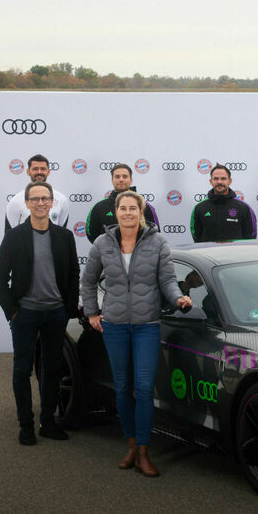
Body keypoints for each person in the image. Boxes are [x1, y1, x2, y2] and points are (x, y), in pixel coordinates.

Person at [81, 191, 192, 477]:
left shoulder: (157, 242)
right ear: (115, 212)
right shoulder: (102, 243)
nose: (128, 212)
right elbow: (89, 280)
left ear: (140, 212)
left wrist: (179, 298)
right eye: (123, 208)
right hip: (115, 325)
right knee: (122, 387)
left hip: (146, 325)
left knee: (143, 388)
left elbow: (167, 280)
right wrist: (92, 312)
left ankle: (143, 450)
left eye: (133, 208)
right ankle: (130, 444)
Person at [0, 180, 81, 445]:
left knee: (52, 369)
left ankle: (48, 422)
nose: (41, 203)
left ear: (53, 203)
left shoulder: (64, 237)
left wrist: (68, 308)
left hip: (55, 314)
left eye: (45, 198)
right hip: (25, 315)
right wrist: (11, 311)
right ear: (27, 203)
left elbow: (73, 273)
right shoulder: (15, 236)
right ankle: (25, 425)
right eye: (35, 199)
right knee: (22, 370)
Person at [86, 163, 160, 242]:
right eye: (117, 177)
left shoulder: (145, 206)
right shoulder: (99, 207)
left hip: (139, 254)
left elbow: (155, 234)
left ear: (131, 180)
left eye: (125, 176)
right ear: (112, 180)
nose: (121, 179)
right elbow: (91, 235)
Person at [189, 164, 256, 242]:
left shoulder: (244, 207)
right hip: (207, 253)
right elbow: (196, 236)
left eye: (223, 178)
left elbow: (251, 236)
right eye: (216, 179)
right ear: (211, 181)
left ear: (229, 181)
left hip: (234, 254)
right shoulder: (199, 208)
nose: (219, 182)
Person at [4, 154, 71, 232]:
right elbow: (10, 234)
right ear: (28, 171)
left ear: (48, 171)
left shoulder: (61, 199)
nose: (39, 172)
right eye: (35, 169)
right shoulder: (15, 201)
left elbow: (62, 232)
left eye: (43, 169)